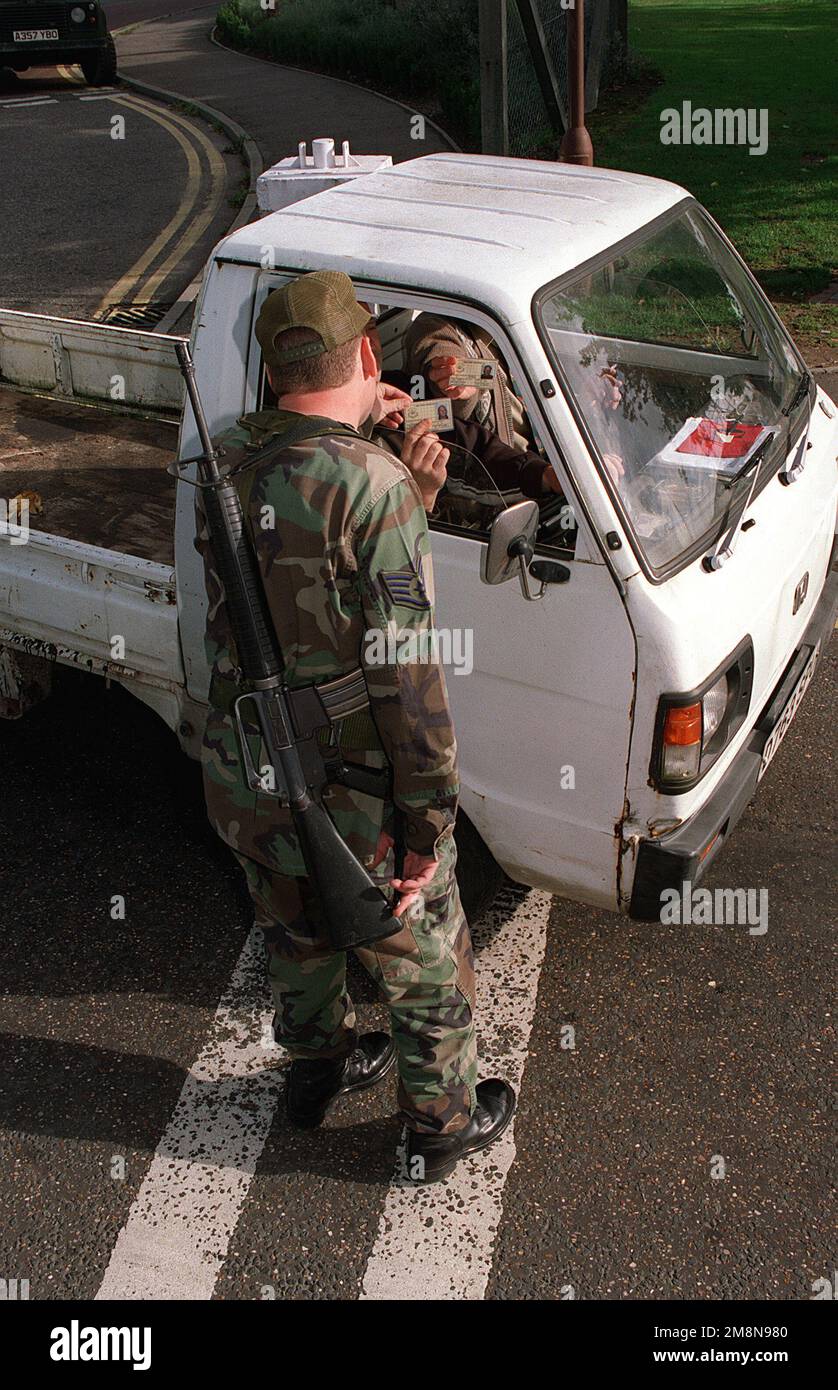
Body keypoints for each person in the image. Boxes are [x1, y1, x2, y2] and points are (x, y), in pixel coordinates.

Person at [194, 271, 515, 1183]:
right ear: (371, 354)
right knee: (422, 954)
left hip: (244, 769)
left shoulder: (222, 460)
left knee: (294, 929)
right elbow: (408, 683)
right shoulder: (375, 490)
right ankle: (441, 1125)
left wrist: (358, 444)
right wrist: (426, 827)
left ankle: (316, 1070)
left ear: (272, 372)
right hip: (351, 788)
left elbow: (283, 569)